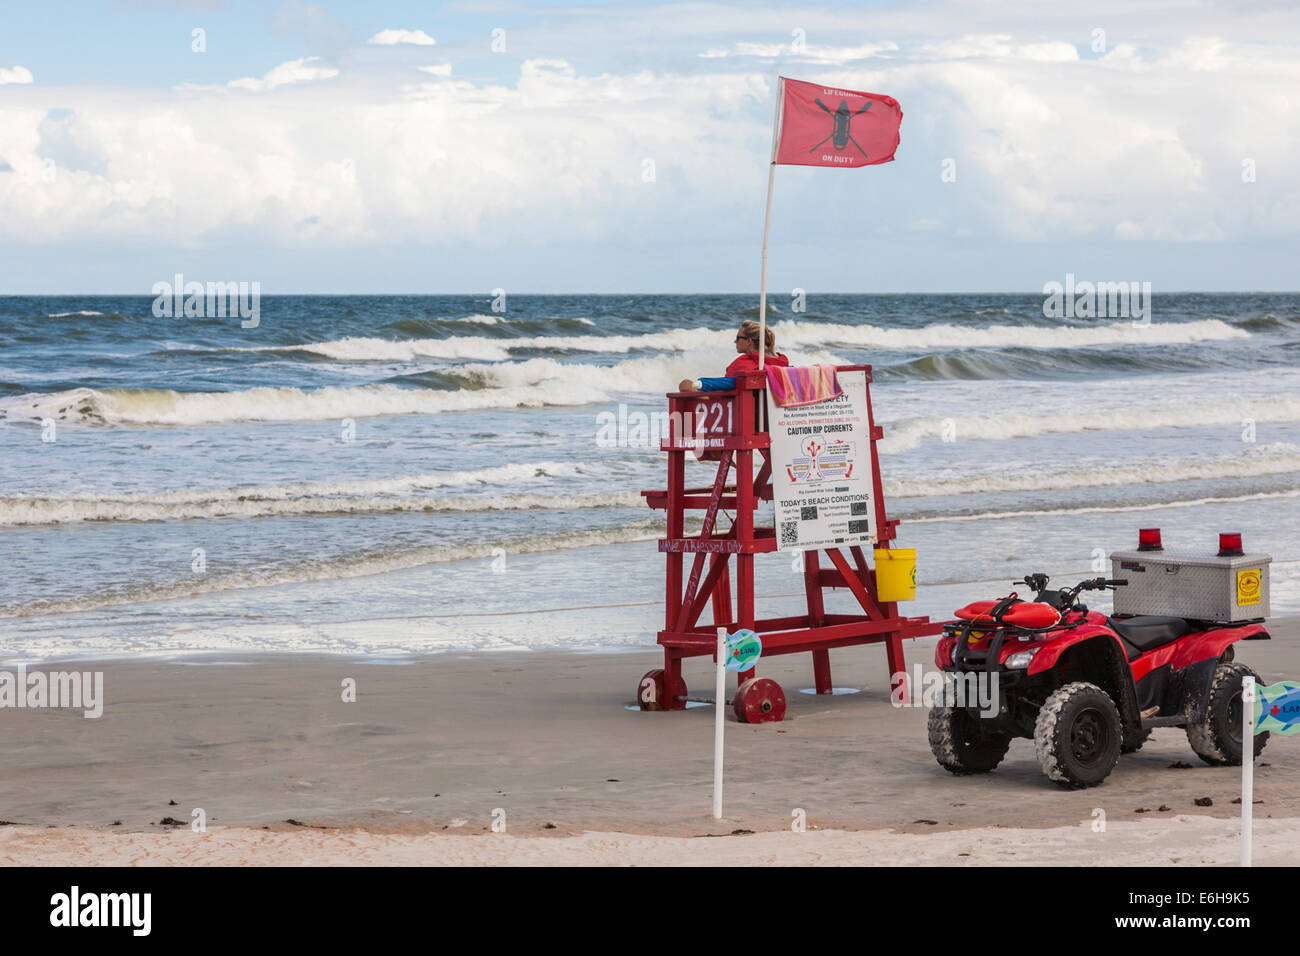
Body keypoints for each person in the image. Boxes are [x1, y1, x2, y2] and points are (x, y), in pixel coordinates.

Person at [678, 320, 789, 393]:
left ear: (749, 341)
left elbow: (730, 384)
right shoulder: (781, 364)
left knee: (685, 384)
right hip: (770, 416)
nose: (735, 341)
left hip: (738, 412)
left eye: (738, 337)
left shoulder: (745, 364)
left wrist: (703, 383)